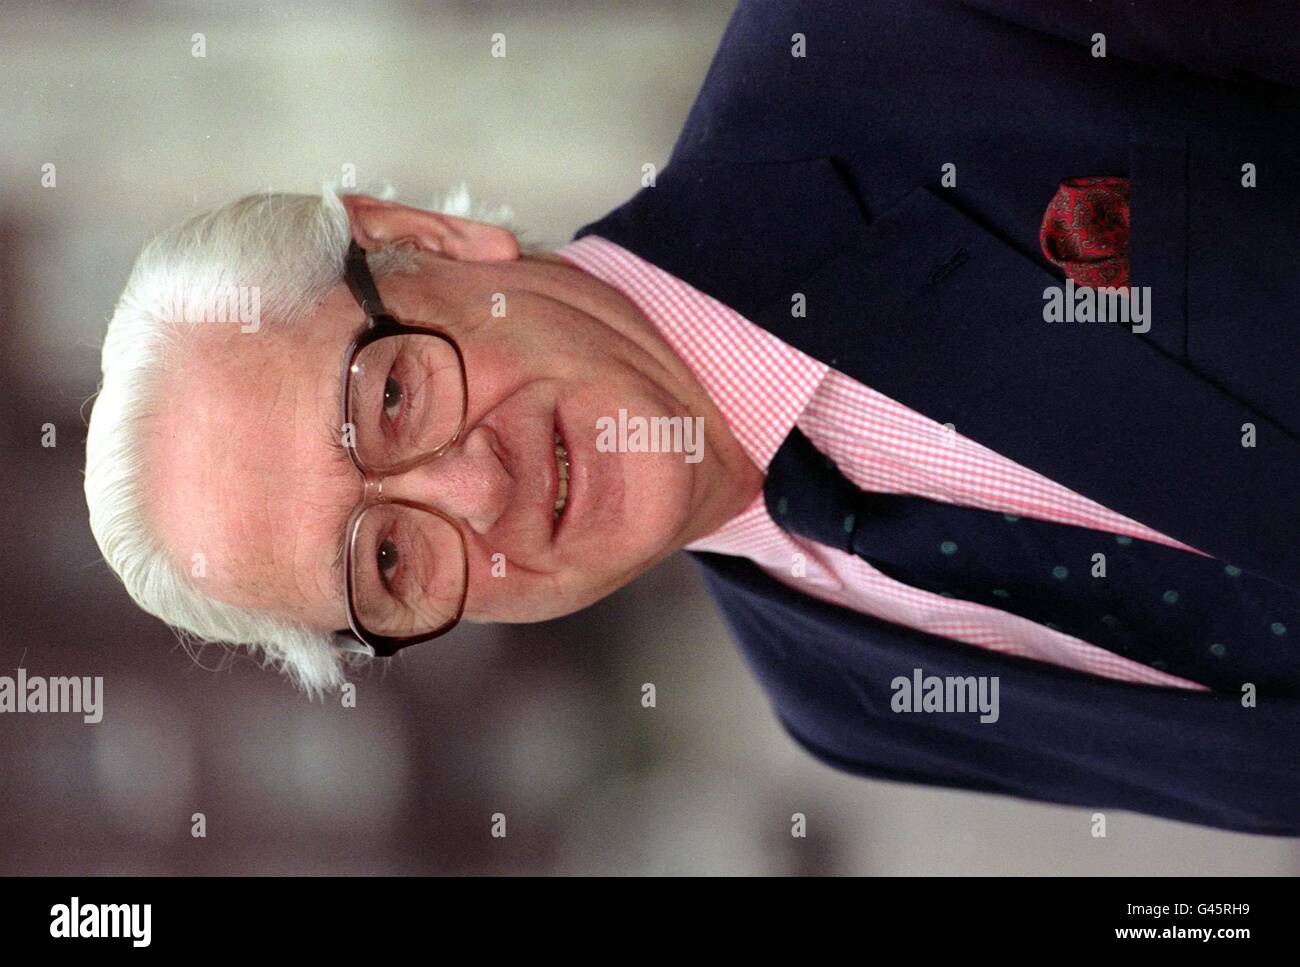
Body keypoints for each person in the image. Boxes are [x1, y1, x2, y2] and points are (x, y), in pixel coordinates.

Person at [86, 0, 1300, 834]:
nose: (477, 490)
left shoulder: (889, 36)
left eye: (392, 400)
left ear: (421, 242)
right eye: (388, 558)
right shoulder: (841, 702)